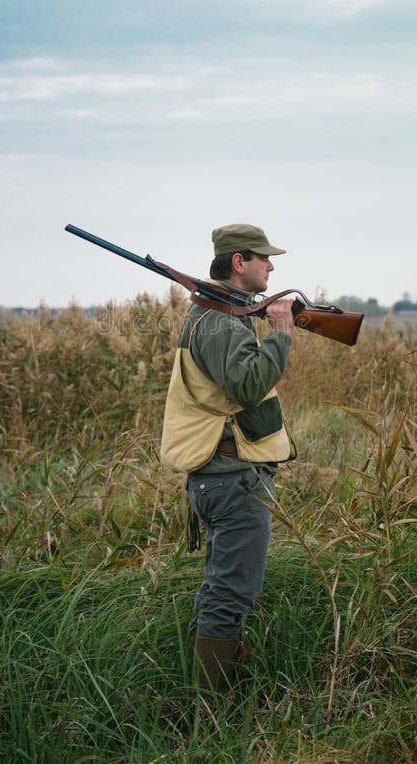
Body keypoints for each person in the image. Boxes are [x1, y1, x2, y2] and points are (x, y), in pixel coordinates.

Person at [160, 223, 297, 692]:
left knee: (220, 590)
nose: (271, 267)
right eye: (263, 258)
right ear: (239, 262)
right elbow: (247, 384)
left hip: (224, 475)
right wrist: (281, 334)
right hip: (232, 479)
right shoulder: (218, 321)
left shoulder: (220, 314)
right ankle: (210, 710)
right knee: (231, 595)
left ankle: (203, 690)